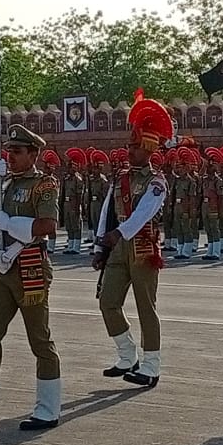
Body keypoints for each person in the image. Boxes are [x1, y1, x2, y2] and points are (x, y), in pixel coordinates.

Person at [0, 125, 62, 432]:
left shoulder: (44, 184)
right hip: (3, 269)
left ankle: (47, 410)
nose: (11, 156)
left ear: (33, 154)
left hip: (31, 266)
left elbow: (47, 225)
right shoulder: (3, 181)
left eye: (17, 152)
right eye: (8, 151)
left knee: (40, 340)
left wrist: (11, 222)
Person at [93, 90, 172, 388]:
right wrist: (102, 243)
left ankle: (152, 365)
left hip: (142, 247)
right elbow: (107, 213)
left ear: (150, 148)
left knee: (145, 307)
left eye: (136, 147)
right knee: (108, 302)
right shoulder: (120, 177)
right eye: (129, 146)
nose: (130, 151)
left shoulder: (156, 182)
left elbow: (142, 215)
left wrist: (118, 234)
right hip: (118, 247)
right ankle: (127, 354)